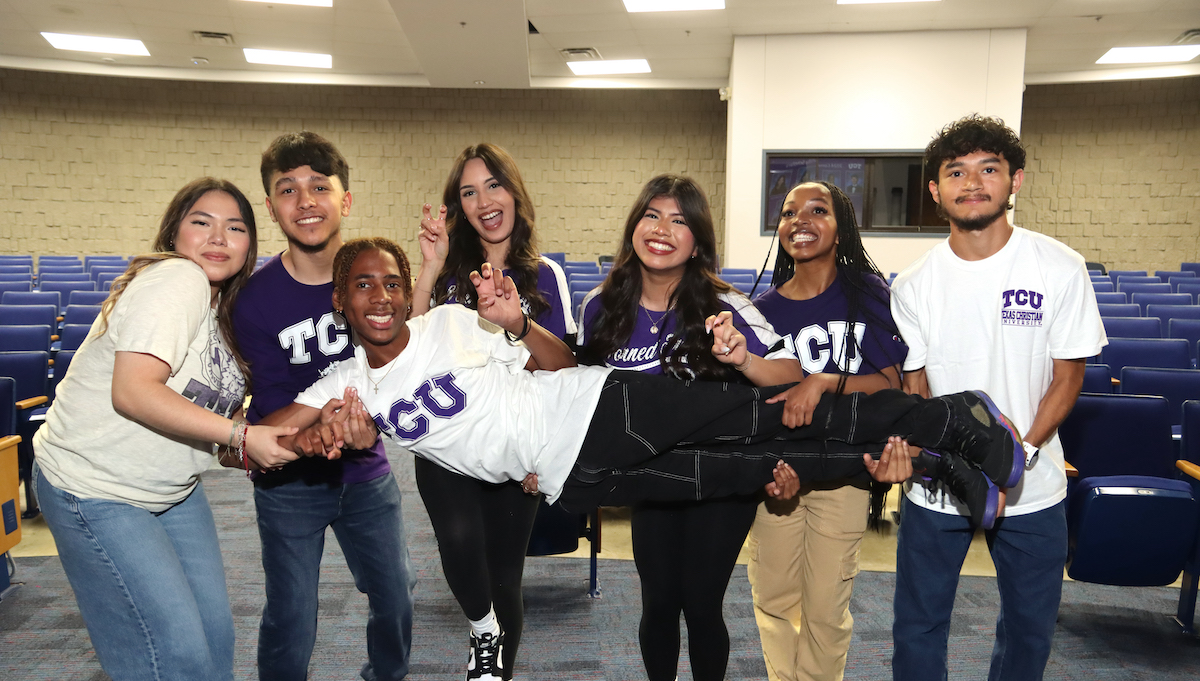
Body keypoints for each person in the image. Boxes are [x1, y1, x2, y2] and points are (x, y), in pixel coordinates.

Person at [271, 236, 1019, 552]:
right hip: (573, 476)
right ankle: (922, 461)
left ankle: (954, 418)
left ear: (409, 293)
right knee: (758, 466)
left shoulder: (446, 327)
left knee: (768, 420)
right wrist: (315, 436)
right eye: (361, 284)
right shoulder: (346, 384)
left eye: (392, 282)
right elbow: (268, 439)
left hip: (598, 409)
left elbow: (553, 360)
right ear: (338, 299)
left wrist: (512, 319)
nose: (379, 295)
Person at [33, 178, 299, 681]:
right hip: (92, 486)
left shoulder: (225, 315)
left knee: (211, 631)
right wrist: (241, 437)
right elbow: (135, 393)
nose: (217, 238)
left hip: (168, 489)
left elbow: (206, 430)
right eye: (200, 222)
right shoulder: (173, 282)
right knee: (165, 647)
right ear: (174, 233)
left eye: (234, 227)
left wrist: (277, 441)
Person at [888, 115, 1106, 681]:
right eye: (956, 171)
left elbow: (1067, 376)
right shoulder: (914, 285)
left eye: (988, 168)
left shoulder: (1058, 266)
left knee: (1032, 626)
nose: (972, 182)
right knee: (920, 621)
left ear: (1015, 179)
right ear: (934, 190)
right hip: (940, 486)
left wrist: (1020, 452)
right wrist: (935, 459)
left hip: (1033, 484)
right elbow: (916, 390)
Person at [577, 174, 803, 681]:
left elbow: (788, 371)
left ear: (698, 241)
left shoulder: (726, 307)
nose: (662, 230)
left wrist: (741, 358)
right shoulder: (602, 308)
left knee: (701, 601)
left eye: (679, 221)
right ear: (634, 227)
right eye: (652, 215)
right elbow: (577, 392)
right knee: (657, 601)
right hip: (651, 483)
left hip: (718, 481)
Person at [232, 131, 425, 681]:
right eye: (288, 189)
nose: (305, 200)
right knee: (293, 614)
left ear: (346, 198)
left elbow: (405, 360)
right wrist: (324, 424)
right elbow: (271, 409)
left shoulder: (372, 273)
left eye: (319, 187)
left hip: (366, 474)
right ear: (270, 205)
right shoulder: (255, 301)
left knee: (395, 591)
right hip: (291, 481)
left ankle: (386, 680)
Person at [410, 143, 575, 681]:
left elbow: (561, 367)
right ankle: (481, 634)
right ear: (458, 207)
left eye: (494, 186)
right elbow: (408, 349)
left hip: (515, 450)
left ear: (515, 193)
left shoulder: (545, 275)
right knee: (457, 542)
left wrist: (515, 322)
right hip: (449, 444)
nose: (485, 202)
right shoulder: (448, 273)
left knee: (507, 575)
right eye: (470, 192)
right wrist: (427, 269)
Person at [749, 180, 909, 681]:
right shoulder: (762, 310)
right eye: (789, 212)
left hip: (842, 476)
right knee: (776, 598)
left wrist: (823, 379)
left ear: (841, 227)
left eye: (818, 210)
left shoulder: (868, 294)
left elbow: (892, 384)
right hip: (778, 478)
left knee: (826, 604)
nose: (800, 220)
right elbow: (754, 400)